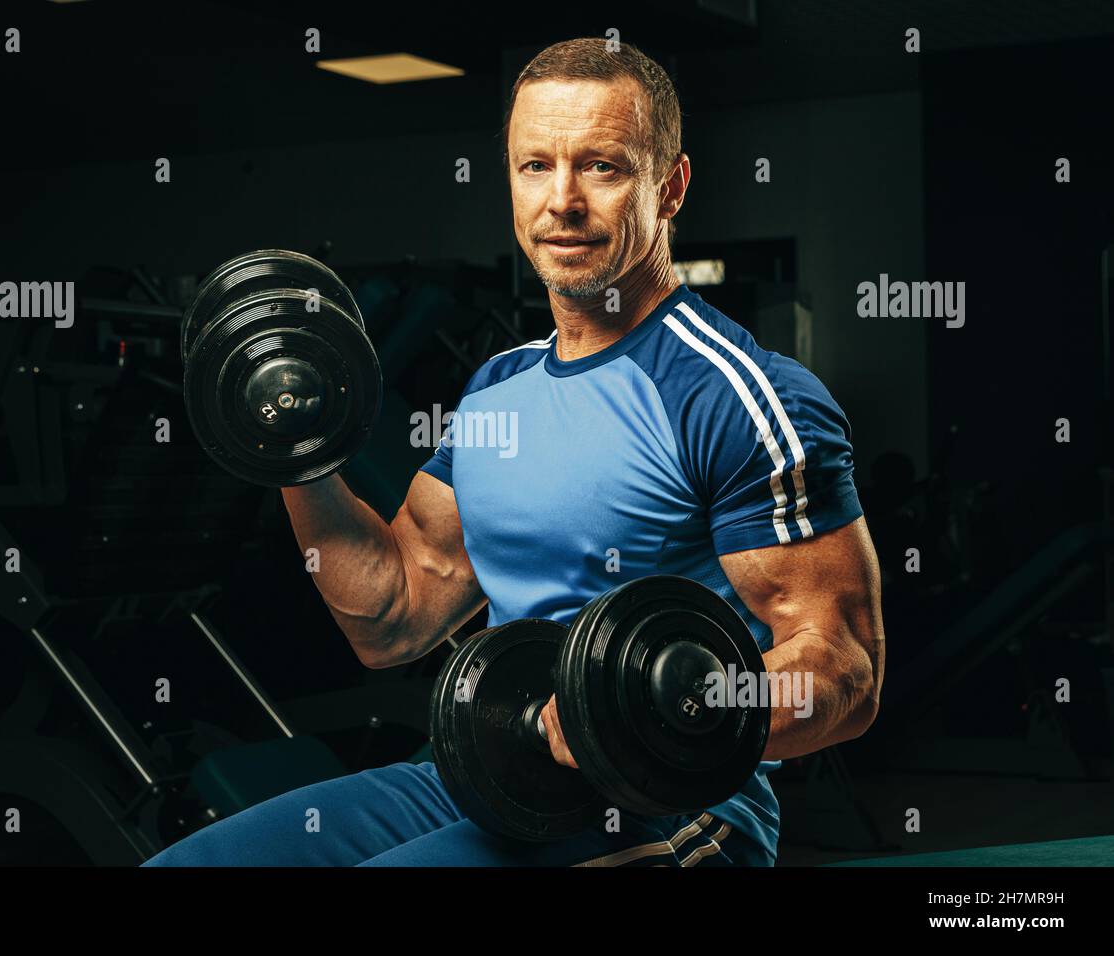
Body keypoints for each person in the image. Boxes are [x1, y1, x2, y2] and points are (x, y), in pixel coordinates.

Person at [144, 37, 884, 867]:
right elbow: (391, 614)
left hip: (667, 806)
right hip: (487, 777)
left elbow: (842, 670)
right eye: (535, 166)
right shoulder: (498, 389)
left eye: (601, 167)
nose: (561, 200)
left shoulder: (738, 395)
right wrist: (296, 454)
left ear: (669, 187)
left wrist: (651, 711)